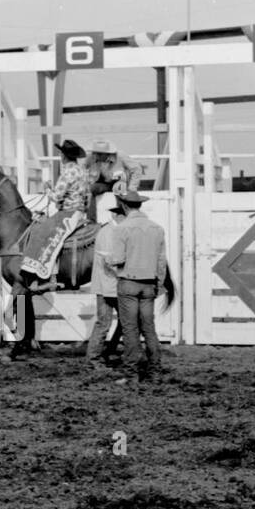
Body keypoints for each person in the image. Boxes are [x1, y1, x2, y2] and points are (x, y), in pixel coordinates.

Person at [104, 190, 167, 384]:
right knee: (149, 328)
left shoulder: (121, 229)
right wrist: (159, 284)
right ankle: (155, 371)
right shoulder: (157, 228)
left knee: (130, 329)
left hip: (129, 282)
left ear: (123, 205)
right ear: (140, 205)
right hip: (149, 284)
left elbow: (118, 259)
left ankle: (132, 374)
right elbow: (161, 262)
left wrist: (108, 260)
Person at [19, 138, 88, 282]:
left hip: (68, 213)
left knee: (42, 231)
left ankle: (45, 272)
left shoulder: (68, 172)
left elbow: (56, 197)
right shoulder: (81, 171)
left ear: (63, 156)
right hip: (79, 212)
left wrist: (47, 189)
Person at [85, 193, 125, 370]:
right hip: (108, 285)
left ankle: (104, 354)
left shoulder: (112, 230)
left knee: (114, 321)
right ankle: (94, 359)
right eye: (123, 214)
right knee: (104, 323)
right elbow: (111, 261)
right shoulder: (109, 233)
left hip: (108, 285)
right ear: (115, 215)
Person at [86, 139, 144, 220]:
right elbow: (82, 168)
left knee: (119, 185)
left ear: (106, 154)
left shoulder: (120, 155)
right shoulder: (91, 157)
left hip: (119, 181)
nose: (96, 155)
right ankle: (91, 220)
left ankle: (122, 216)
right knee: (91, 189)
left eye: (98, 154)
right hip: (103, 183)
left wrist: (132, 188)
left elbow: (137, 169)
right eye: (95, 153)